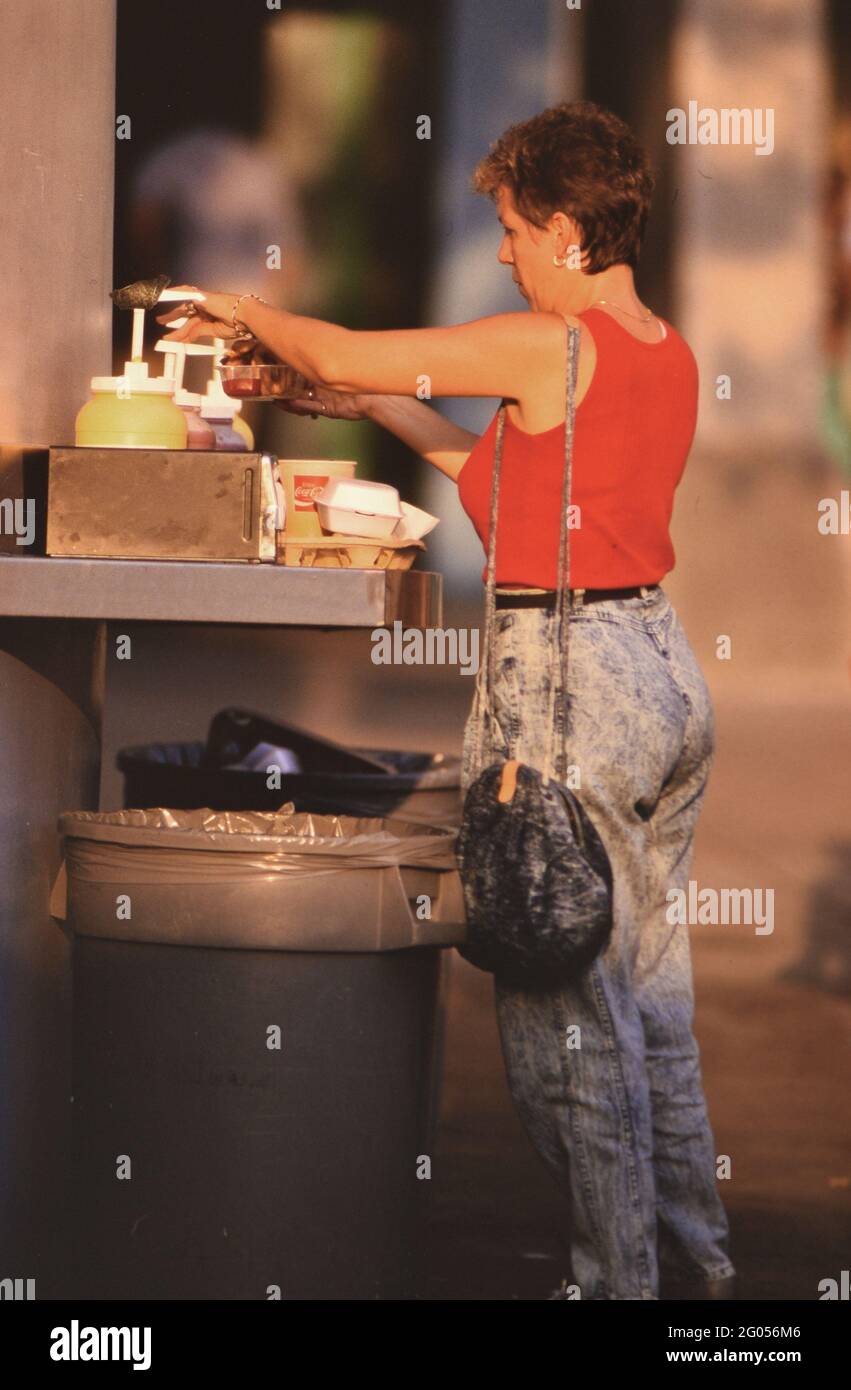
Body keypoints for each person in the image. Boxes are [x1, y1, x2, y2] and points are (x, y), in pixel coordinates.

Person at [158, 99, 736, 1303]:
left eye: (516, 228)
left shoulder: (553, 343)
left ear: (570, 232)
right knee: (646, 999)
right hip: (660, 674)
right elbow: (502, 474)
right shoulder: (657, 347)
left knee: (566, 1029)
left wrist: (247, 311)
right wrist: (358, 407)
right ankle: (697, 1269)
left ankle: (619, 1284)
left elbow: (360, 346)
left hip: (569, 689)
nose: (504, 251)